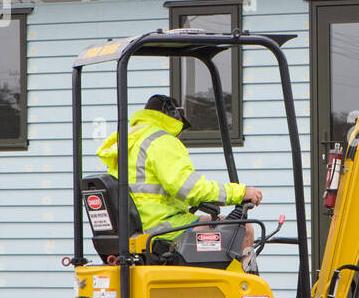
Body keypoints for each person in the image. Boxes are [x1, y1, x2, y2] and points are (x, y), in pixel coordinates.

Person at [97, 93, 263, 264]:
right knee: (242, 229)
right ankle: (245, 288)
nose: (180, 136)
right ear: (174, 117)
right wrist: (241, 192)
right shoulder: (162, 141)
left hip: (137, 228)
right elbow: (190, 188)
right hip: (163, 229)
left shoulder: (129, 141)